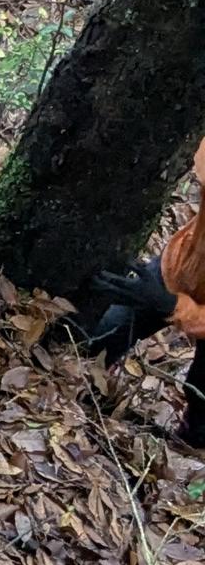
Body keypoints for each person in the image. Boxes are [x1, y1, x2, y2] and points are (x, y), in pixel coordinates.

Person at [84, 139, 205, 444]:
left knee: (202, 392)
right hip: (180, 268)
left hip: (180, 294)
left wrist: (172, 306)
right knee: (101, 337)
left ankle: (190, 442)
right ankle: (82, 397)